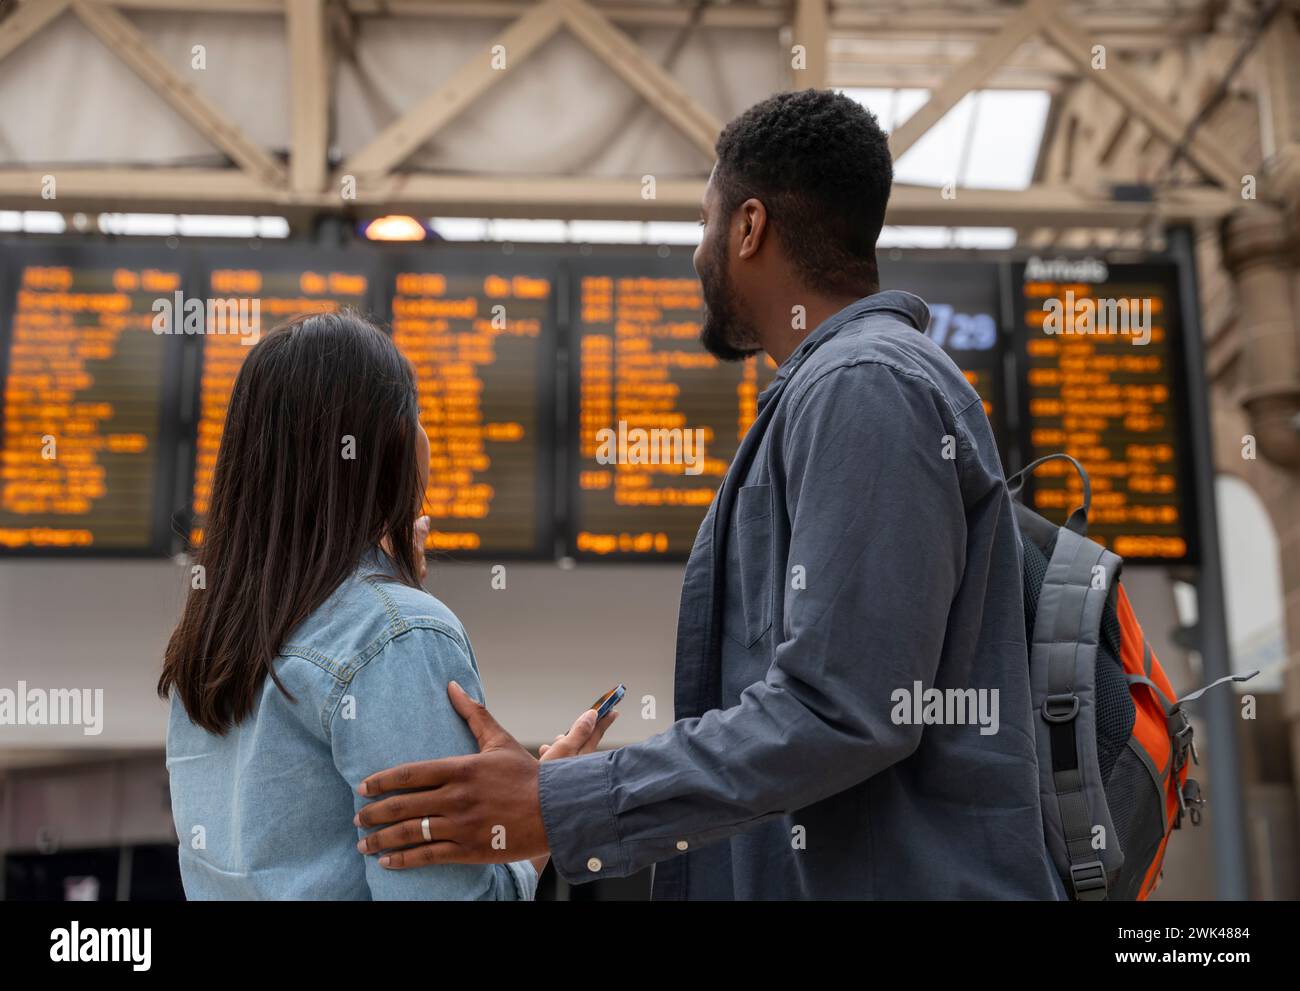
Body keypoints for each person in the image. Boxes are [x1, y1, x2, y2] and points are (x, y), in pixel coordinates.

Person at [354, 89, 1064, 900]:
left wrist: (554, 802)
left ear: (748, 227)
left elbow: (845, 710)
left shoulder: (866, 387)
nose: (699, 255)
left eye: (704, 225)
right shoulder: (836, 392)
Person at [161, 311, 611, 900]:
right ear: (396, 444)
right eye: (418, 417)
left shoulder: (210, 642)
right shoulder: (400, 634)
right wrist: (536, 822)